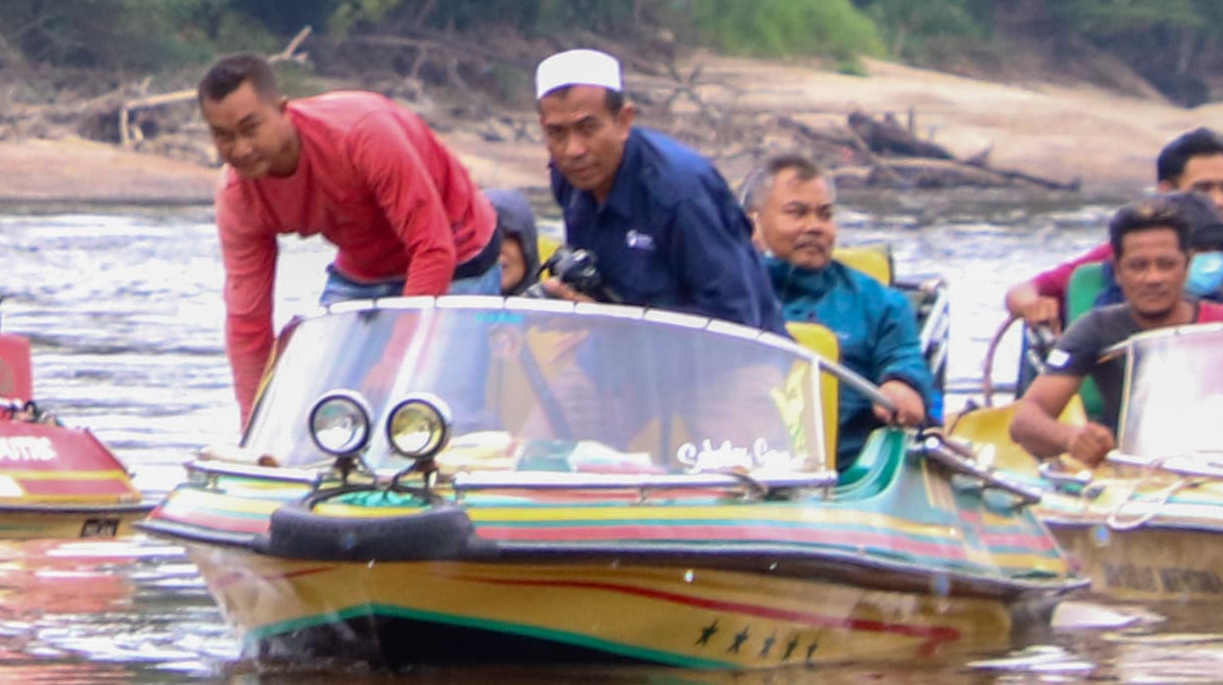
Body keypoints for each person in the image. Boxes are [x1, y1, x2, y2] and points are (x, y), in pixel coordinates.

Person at [200, 54, 516, 419]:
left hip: (458, 252)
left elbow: (433, 247)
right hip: (364, 267)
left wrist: (395, 358)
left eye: (250, 128)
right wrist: (251, 425)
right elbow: (247, 321)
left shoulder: (362, 134)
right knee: (321, 405)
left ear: (283, 110)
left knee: (431, 405)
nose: (240, 149)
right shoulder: (238, 195)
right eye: (223, 136)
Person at [533, 47, 782, 335]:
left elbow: (735, 317)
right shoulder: (569, 177)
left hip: (737, 356)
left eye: (588, 128)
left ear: (624, 121)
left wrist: (608, 325)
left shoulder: (681, 193)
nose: (573, 150)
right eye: (557, 134)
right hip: (623, 346)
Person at [1008, 196, 1223, 467]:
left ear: (1186, 265)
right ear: (1117, 272)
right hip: (1135, 473)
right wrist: (1073, 438)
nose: (1153, 278)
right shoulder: (1097, 328)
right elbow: (1025, 419)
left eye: (1166, 265)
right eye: (1138, 266)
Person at [1005, 125, 1223, 338]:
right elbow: (1022, 291)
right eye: (1202, 190)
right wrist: (1036, 307)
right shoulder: (1128, 254)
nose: (1218, 201)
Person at [752, 154, 932, 429]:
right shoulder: (719, 296)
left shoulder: (883, 304)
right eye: (797, 213)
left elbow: (904, 358)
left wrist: (902, 384)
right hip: (738, 454)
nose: (814, 226)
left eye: (825, 215)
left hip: (848, 462)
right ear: (755, 223)